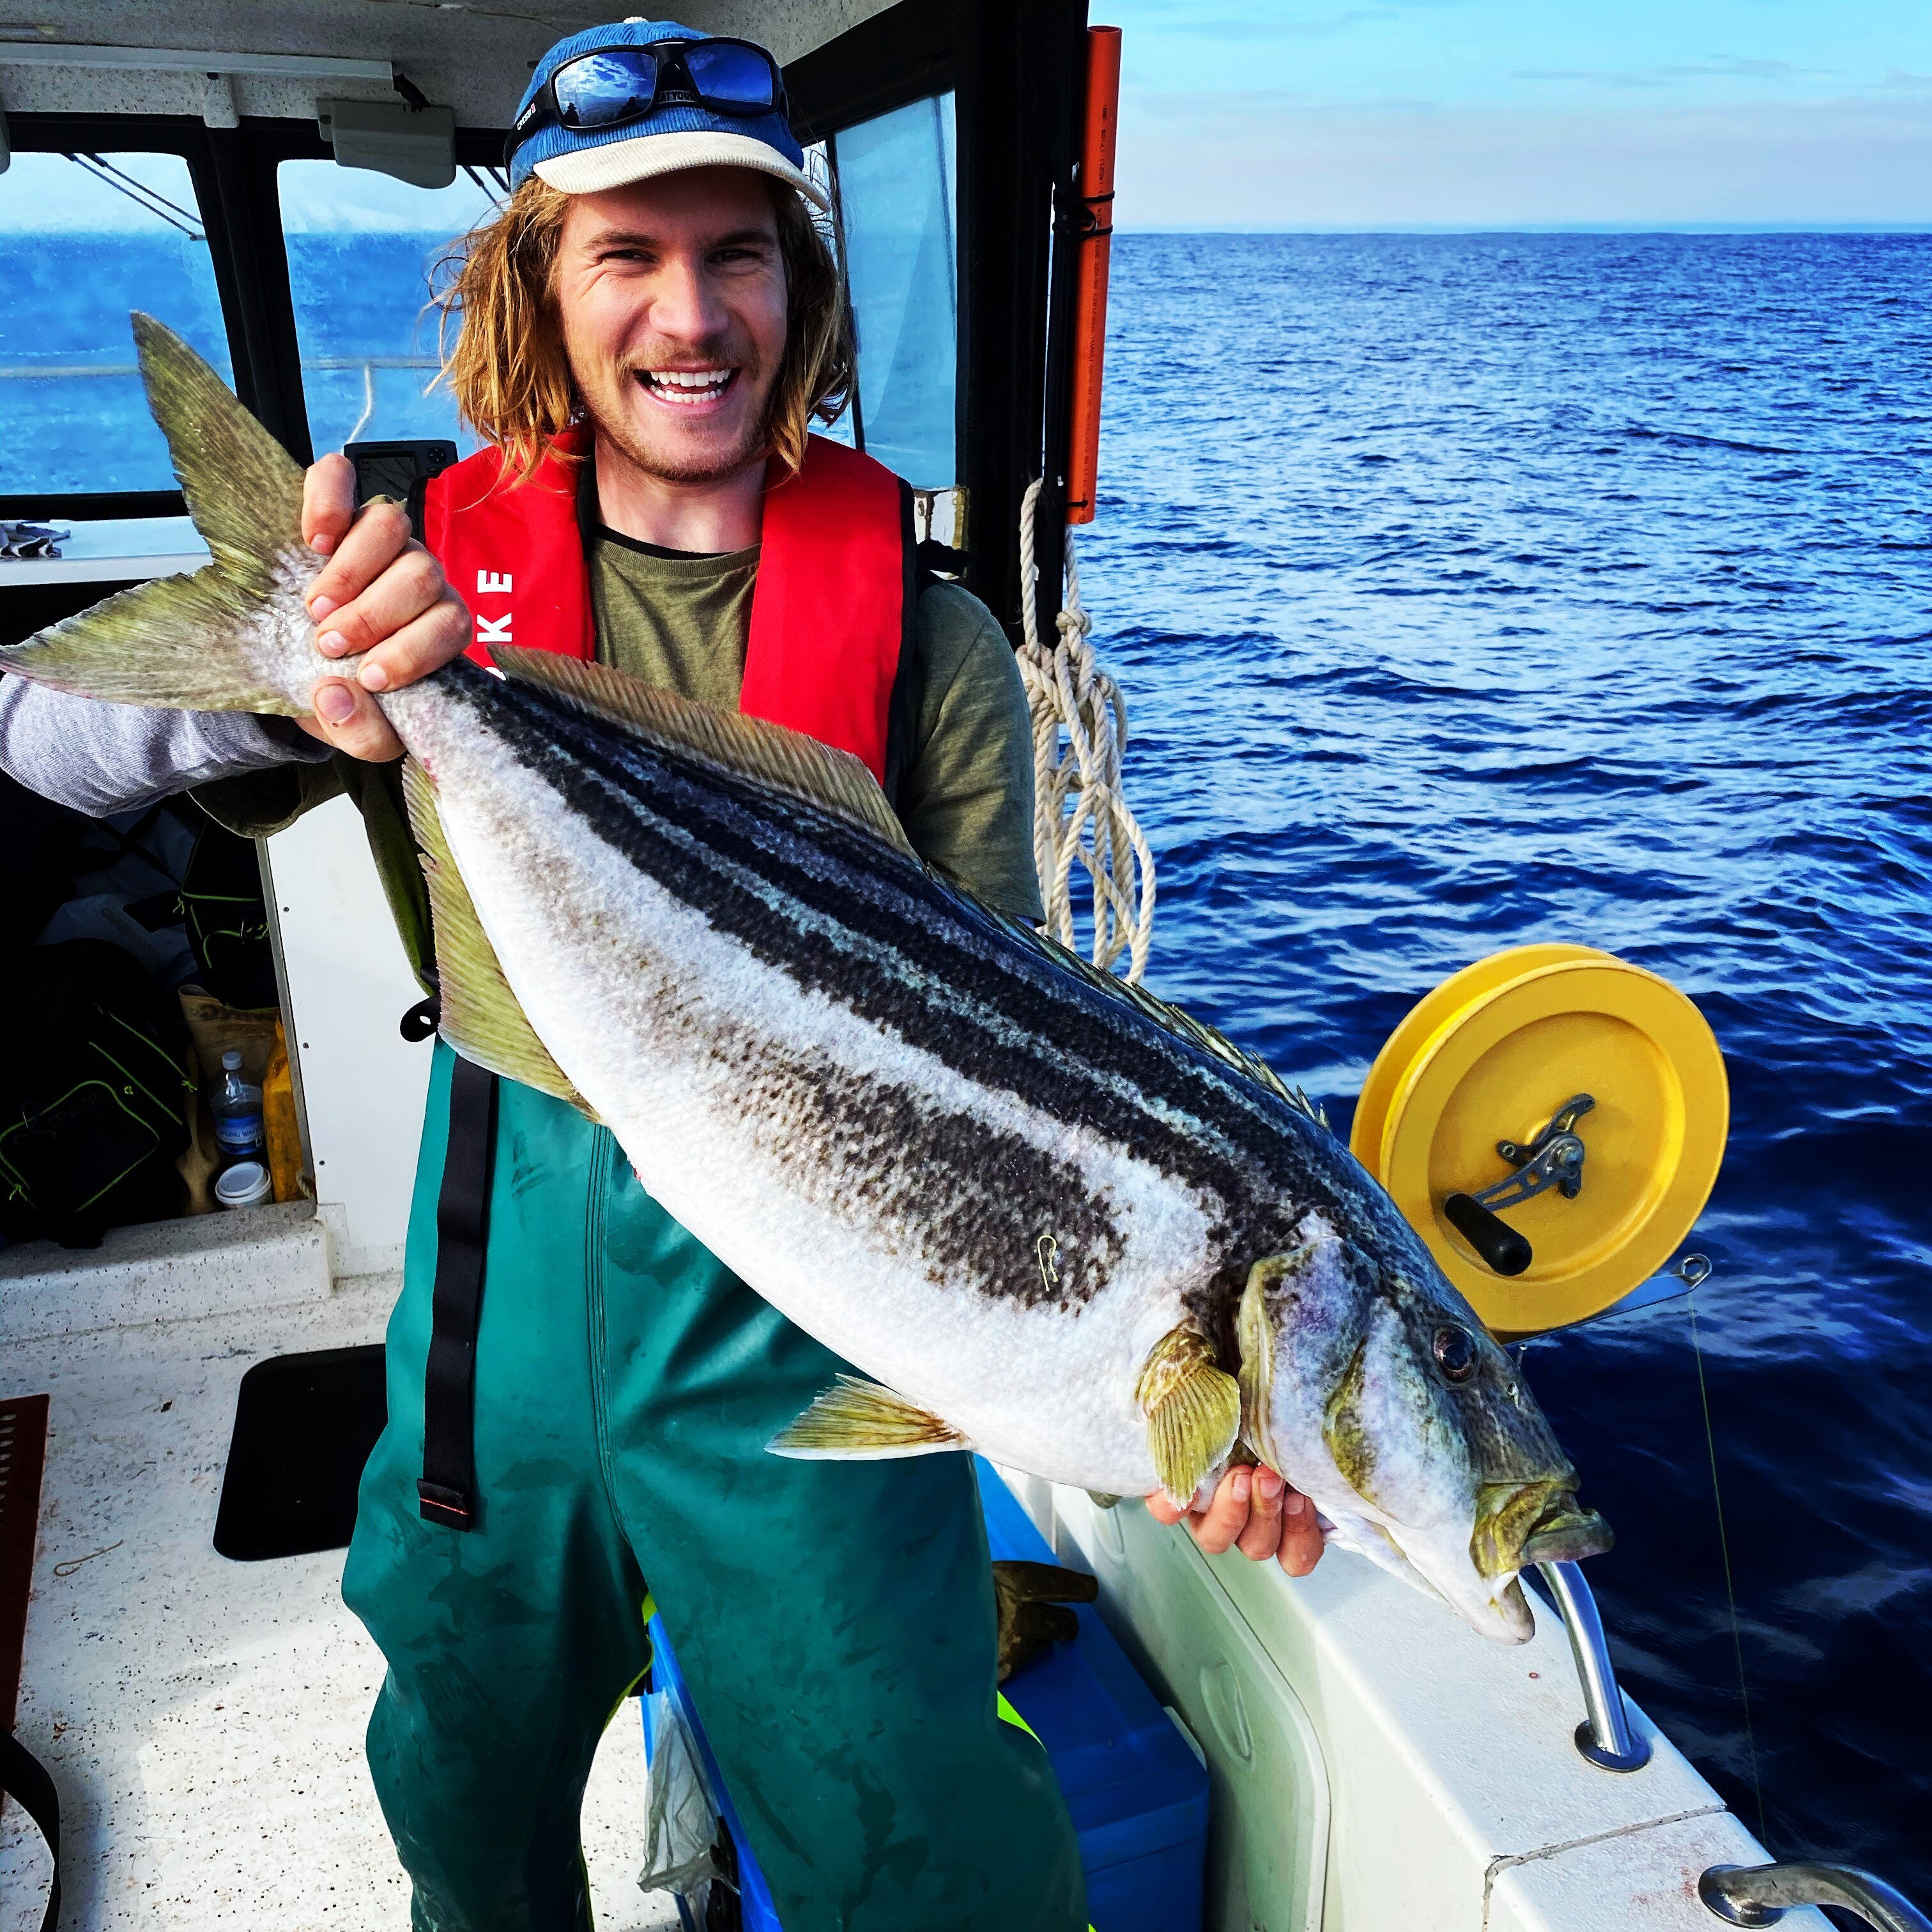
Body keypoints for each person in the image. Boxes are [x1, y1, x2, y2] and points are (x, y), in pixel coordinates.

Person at [0, 19, 1321, 1927]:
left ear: (802, 287)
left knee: (931, 1854)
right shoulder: (420, 576)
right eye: (627, 254)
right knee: (464, 1805)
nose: (691, 316)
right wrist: (291, 678)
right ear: (541, 288)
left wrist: (1160, 1419)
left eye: (738, 253)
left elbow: (1014, 1092)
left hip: (814, 1344)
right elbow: (37, 749)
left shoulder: (932, 645)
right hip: (497, 1329)